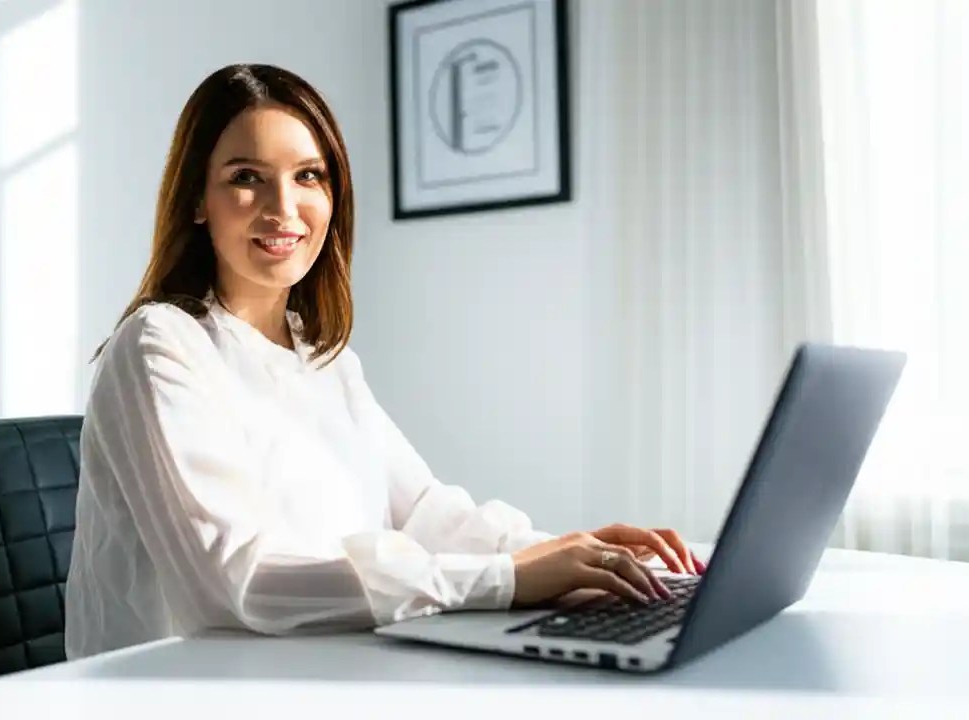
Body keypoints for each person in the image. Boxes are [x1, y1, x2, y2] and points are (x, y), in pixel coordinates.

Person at [64, 64, 704, 660]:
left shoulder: (321, 355)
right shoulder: (160, 345)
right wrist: (507, 579)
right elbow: (239, 584)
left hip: (316, 667)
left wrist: (564, 552)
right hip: (185, 689)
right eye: (246, 177)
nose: (283, 208)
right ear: (197, 201)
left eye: (308, 176)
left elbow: (422, 511)